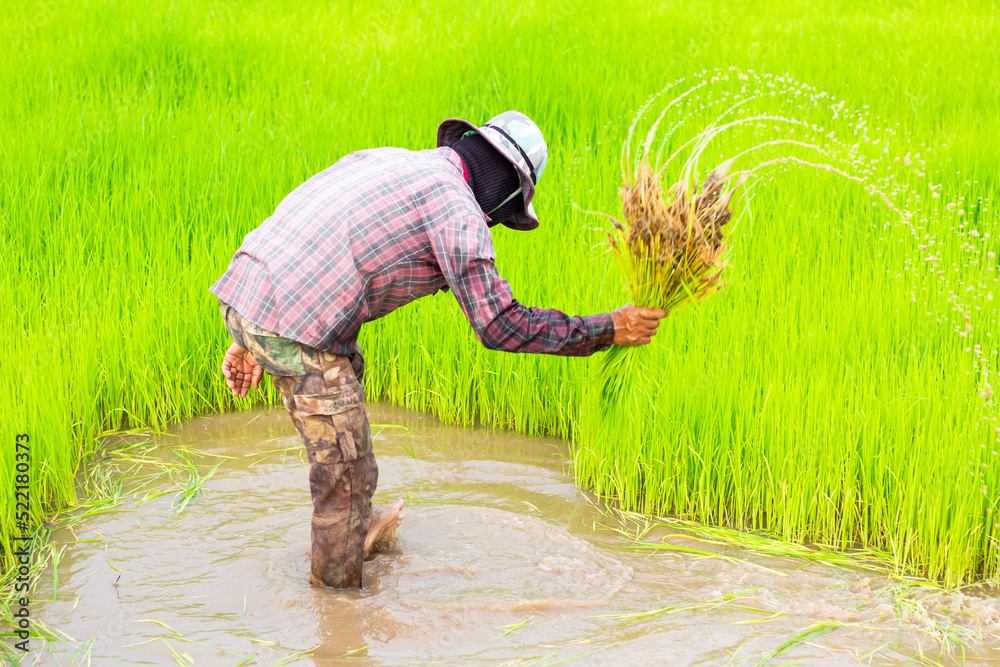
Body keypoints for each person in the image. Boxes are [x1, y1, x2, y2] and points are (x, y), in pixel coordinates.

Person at [210, 110, 667, 589]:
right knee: (344, 480)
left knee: (349, 420)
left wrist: (249, 332)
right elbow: (499, 325)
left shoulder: (395, 161)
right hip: (292, 323)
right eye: (505, 214)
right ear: (507, 190)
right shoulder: (459, 211)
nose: (496, 222)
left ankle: (356, 534)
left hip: (250, 287)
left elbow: (307, 231)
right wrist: (606, 329)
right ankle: (338, 622)